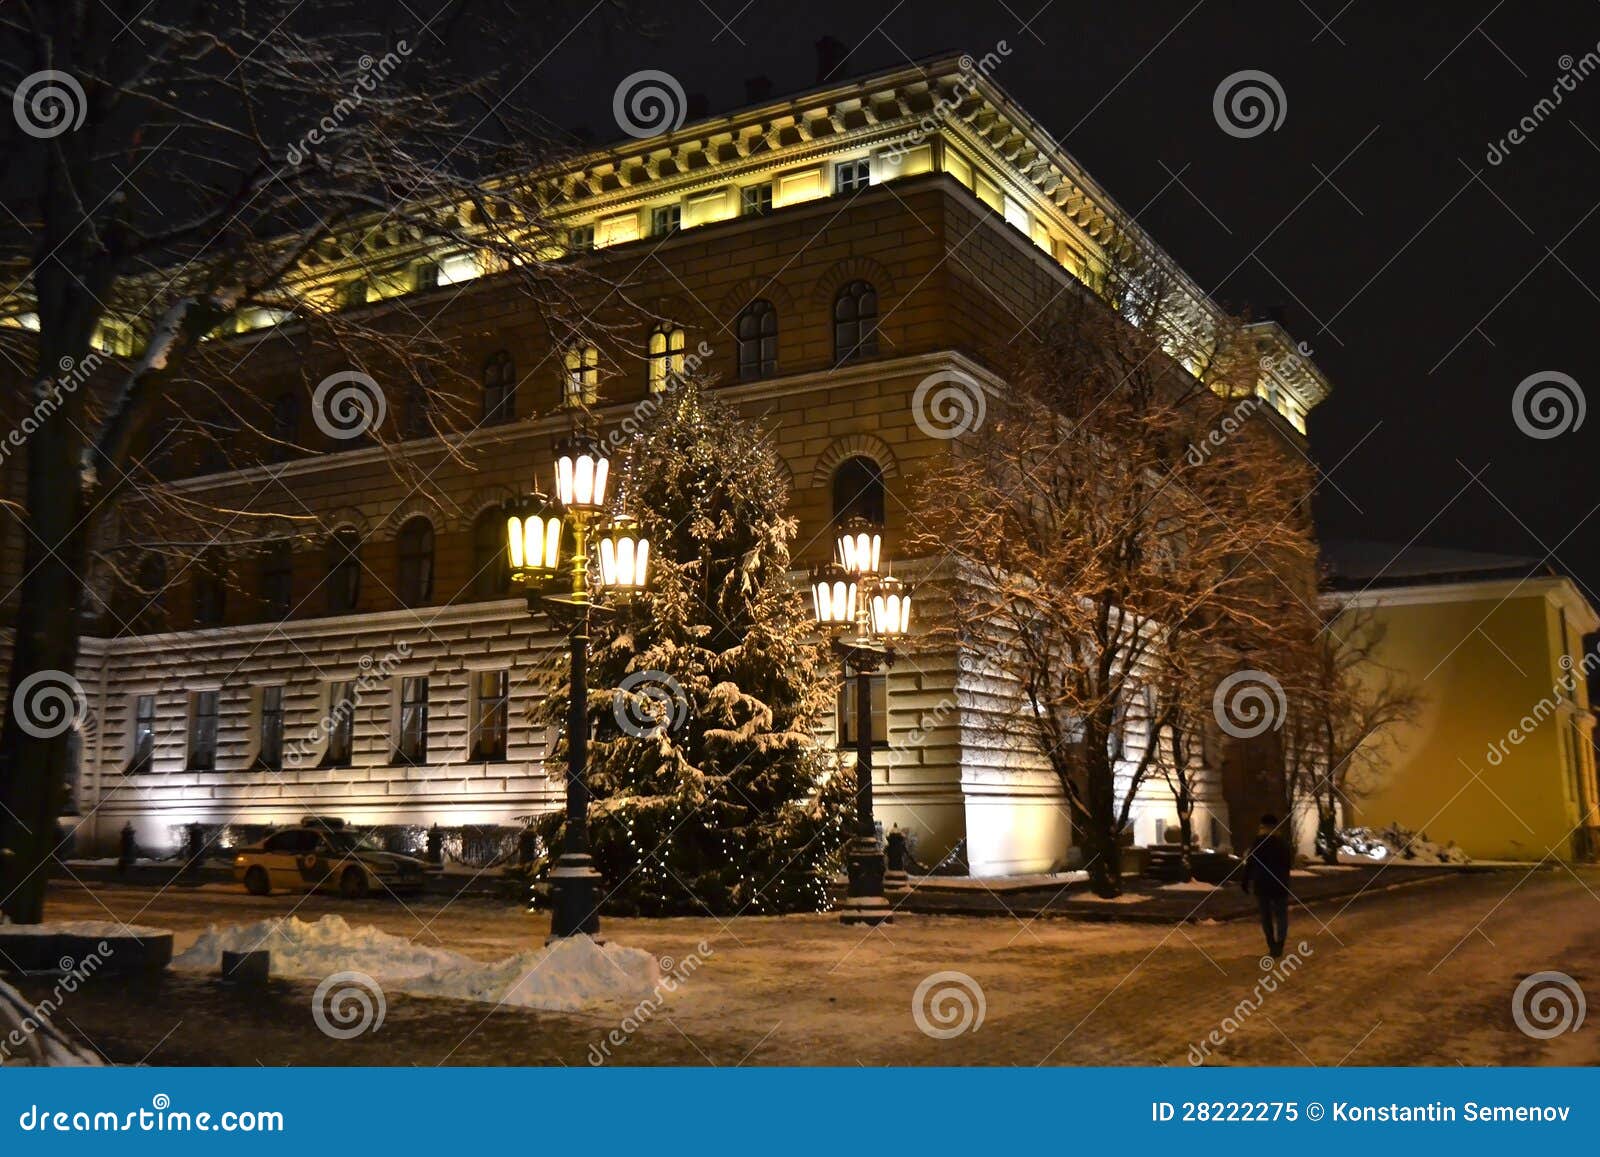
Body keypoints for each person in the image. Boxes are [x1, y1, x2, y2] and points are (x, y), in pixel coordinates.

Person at [1242, 813, 1292, 957]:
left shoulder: (1258, 843)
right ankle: (1280, 945)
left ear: (1262, 826)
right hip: (1280, 884)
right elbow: (1288, 863)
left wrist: (1245, 881)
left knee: (1266, 916)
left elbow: (1250, 864)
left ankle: (1272, 945)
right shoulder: (1282, 843)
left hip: (1262, 884)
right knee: (1281, 915)